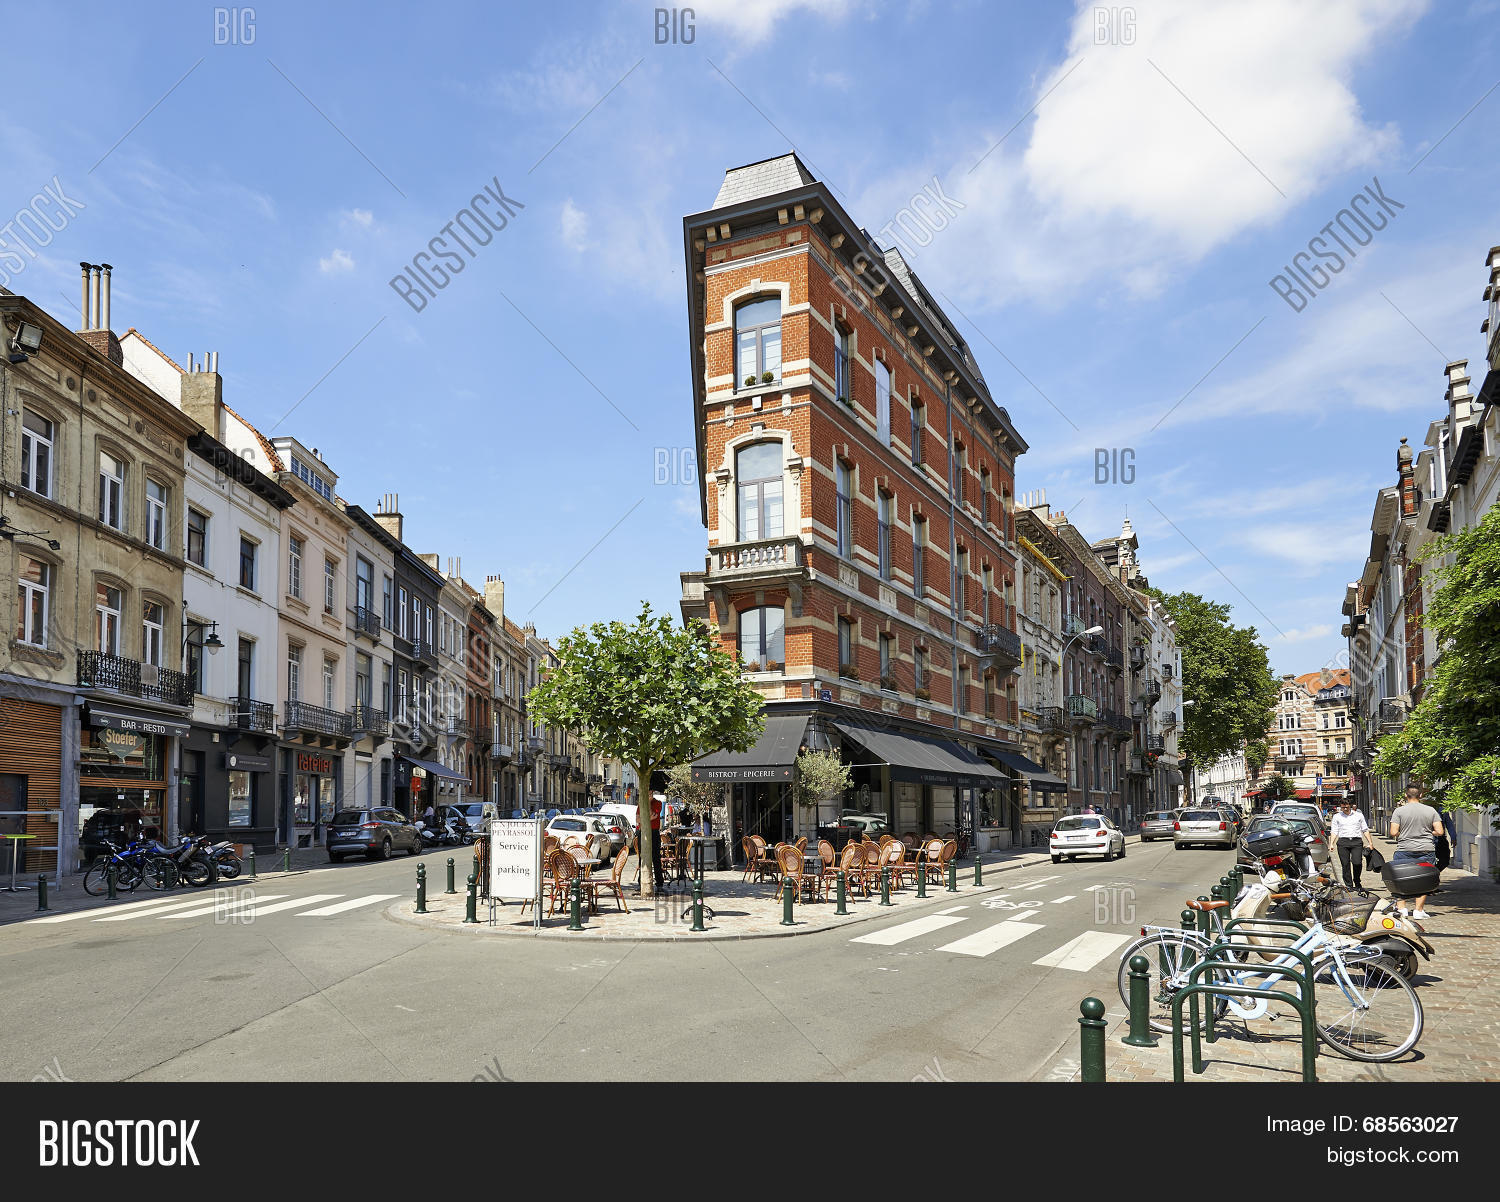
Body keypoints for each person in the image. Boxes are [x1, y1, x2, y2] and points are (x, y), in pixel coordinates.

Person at [1388, 784, 1444, 920]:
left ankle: (1402, 909)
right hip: (1426, 849)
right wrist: (1427, 832)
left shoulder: (1399, 811)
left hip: (1404, 849)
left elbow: (1393, 832)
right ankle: (1419, 910)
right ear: (1420, 795)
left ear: (1406, 796)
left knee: (1401, 879)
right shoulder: (1430, 810)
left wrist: (1406, 833)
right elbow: (1440, 831)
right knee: (1424, 879)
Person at [1328, 799, 1371, 889]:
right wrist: (1331, 843)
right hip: (1343, 842)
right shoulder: (1337, 816)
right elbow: (1334, 831)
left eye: (1346, 806)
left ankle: (1357, 881)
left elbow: (1365, 829)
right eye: (1343, 807)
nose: (1345, 808)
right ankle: (1349, 885)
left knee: (1357, 862)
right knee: (1345, 864)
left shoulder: (1358, 815)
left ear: (1350, 805)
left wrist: (1370, 843)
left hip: (1356, 841)